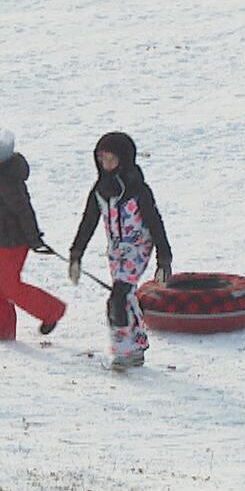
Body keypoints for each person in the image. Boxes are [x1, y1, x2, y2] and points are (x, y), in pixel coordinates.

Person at [68, 132, 172, 371]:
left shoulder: (137, 189)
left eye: (111, 159)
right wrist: (76, 254)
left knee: (117, 299)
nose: (105, 164)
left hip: (139, 247)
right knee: (126, 296)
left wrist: (164, 259)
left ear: (124, 159)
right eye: (101, 159)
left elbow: (156, 222)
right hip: (116, 251)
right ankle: (137, 345)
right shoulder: (100, 191)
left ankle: (123, 352)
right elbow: (88, 222)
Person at [0, 128, 67, 343]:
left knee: (9, 286)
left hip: (12, 242)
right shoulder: (0, 170)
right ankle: (2, 329)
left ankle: (51, 311)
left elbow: (23, 210)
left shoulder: (6, 178)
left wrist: (33, 238)